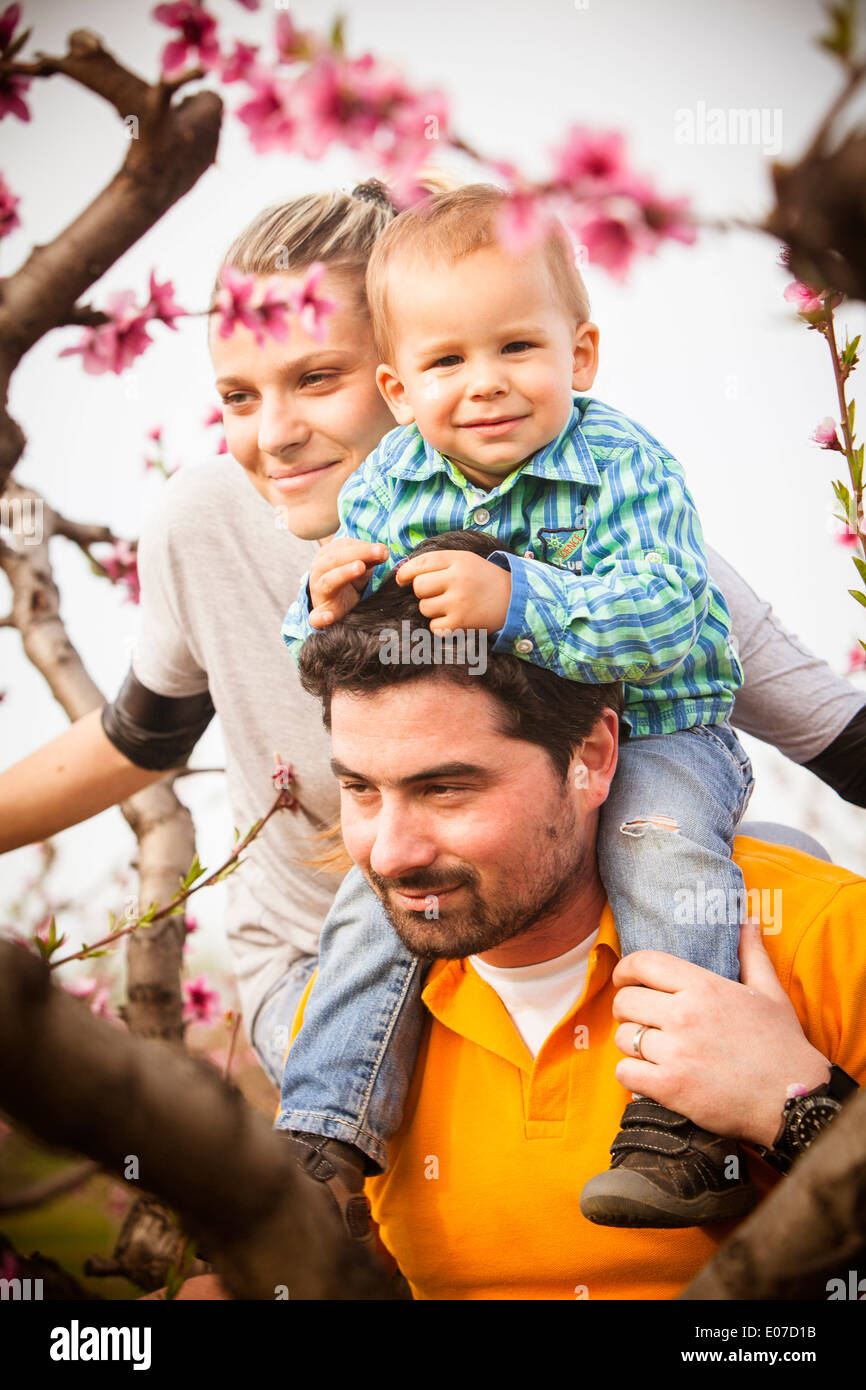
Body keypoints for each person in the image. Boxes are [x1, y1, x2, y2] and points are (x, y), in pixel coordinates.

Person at [0, 177, 862, 1122]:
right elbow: (138, 737)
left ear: (399, 376)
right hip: (331, 974)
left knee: (769, 863)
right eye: (240, 396)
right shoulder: (208, 519)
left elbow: (833, 734)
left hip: (542, 943)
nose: (277, 436)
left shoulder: (601, 527)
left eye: (317, 378)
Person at [276, 183, 837, 1226]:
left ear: (576, 356)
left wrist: (520, 597)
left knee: (660, 851)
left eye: (515, 350)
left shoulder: (624, 466)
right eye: (446, 362)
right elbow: (366, 658)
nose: (483, 386)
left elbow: (671, 614)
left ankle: (681, 1124)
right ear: (397, 389)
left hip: (663, 722)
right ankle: (321, 1131)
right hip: (518, 742)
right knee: (368, 903)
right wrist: (323, 610)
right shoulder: (387, 483)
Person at [285, 542, 866, 1300]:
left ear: (592, 756)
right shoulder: (352, 1024)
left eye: (447, 791)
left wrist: (796, 1109)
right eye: (361, 790)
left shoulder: (822, 933)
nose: (391, 854)